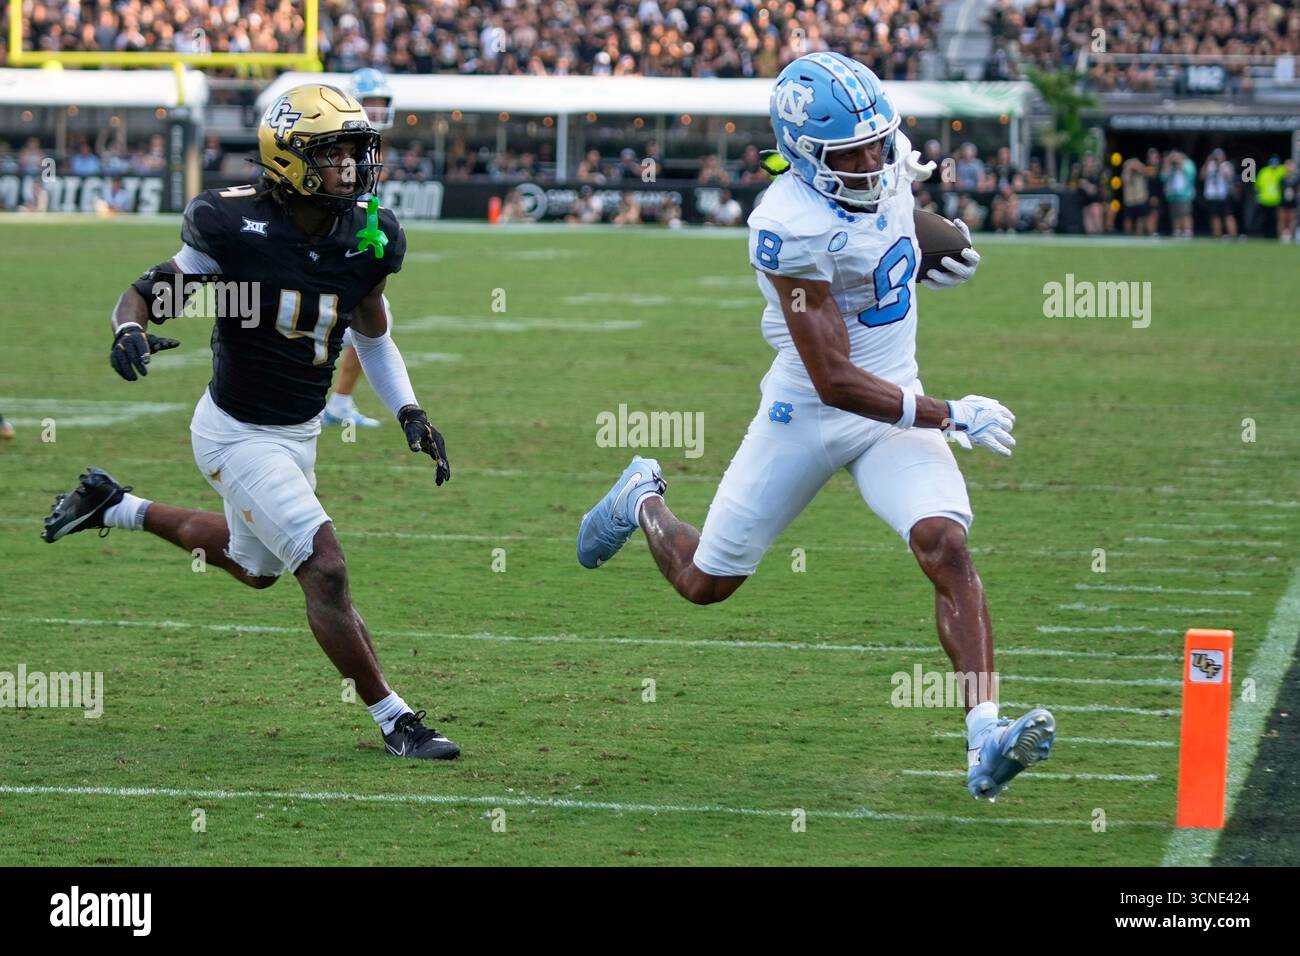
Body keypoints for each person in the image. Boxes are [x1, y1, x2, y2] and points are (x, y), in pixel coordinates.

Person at [575, 52, 1054, 802]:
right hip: (810, 411)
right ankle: (642, 496)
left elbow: (894, 223)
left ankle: (984, 737)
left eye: (878, 142)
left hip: (893, 406)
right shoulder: (787, 225)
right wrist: (951, 414)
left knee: (947, 544)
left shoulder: (884, 162)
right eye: (851, 152)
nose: (872, 159)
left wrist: (933, 236)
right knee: (706, 583)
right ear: (805, 157)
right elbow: (836, 378)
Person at [42, 85, 459, 760]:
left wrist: (410, 409)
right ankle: (395, 718)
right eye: (334, 154)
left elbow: (373, 335)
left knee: (253, 566)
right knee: (323, 567)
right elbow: (155, 289)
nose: (351, 168)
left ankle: (116, 506)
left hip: (299, 432)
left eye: (356, 152)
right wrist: (130, 329)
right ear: (291, 160)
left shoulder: (367, 239)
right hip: (234, 433)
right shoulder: (234, 226)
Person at [323, 68, 398, 428]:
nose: (377, 110)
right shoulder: (337, 146)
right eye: (371, 102)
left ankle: (338, 403)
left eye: (381, 103)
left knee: (371, 319)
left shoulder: (367, 150)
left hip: (344, 245)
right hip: (319, 247)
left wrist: (370, 229)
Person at [1201, 149, 1237, 239]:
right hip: (1212, 195)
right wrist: (1207, 162)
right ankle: (1217, 234)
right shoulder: (1209, 165)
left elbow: (1229, 177)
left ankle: (1232, 235)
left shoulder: (1226, 165)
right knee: (1214, 216)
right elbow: (1202, 176)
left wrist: (1220, 165)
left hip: (1223, 195)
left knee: (1228, 215)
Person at [1161, 150, 1196, 239]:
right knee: (1175, 215)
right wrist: (1167, 162)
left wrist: (1179, 162)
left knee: (1185, 213)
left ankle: (1187, 232)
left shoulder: (1188, 163)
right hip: (1172, 194)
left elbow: (1191, 174)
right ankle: (1177, 231)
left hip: (1185, 194)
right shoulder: (1169, 165)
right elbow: (1163, 177)